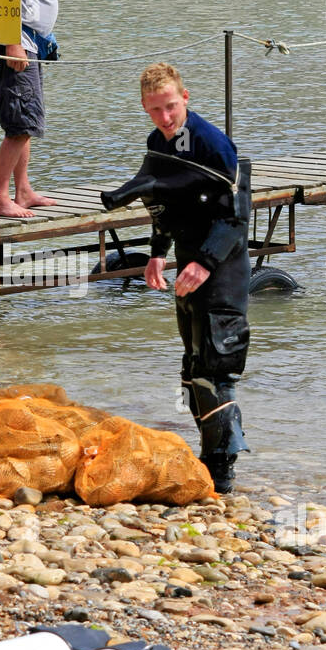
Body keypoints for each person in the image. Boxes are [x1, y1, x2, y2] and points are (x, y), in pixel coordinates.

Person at [100, 62, 251, 493]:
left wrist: (205, 261)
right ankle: (207, 459)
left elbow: (235, 218)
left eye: (170, 107)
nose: (164, 119)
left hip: (221, 266)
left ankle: (222, 472)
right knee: (192, 367)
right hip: (186, 263)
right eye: (154, 111)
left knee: (216, 368)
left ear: (185, 98)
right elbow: (160, 201)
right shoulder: (158, 143)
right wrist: (156, 254)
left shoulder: (212, 143)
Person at [0, 0, 73, 218]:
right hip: (20, 43)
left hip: (29, 43)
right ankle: (0, 197)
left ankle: (23, 190)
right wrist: (13, 41)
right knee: (20, 124)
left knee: (27, 121)